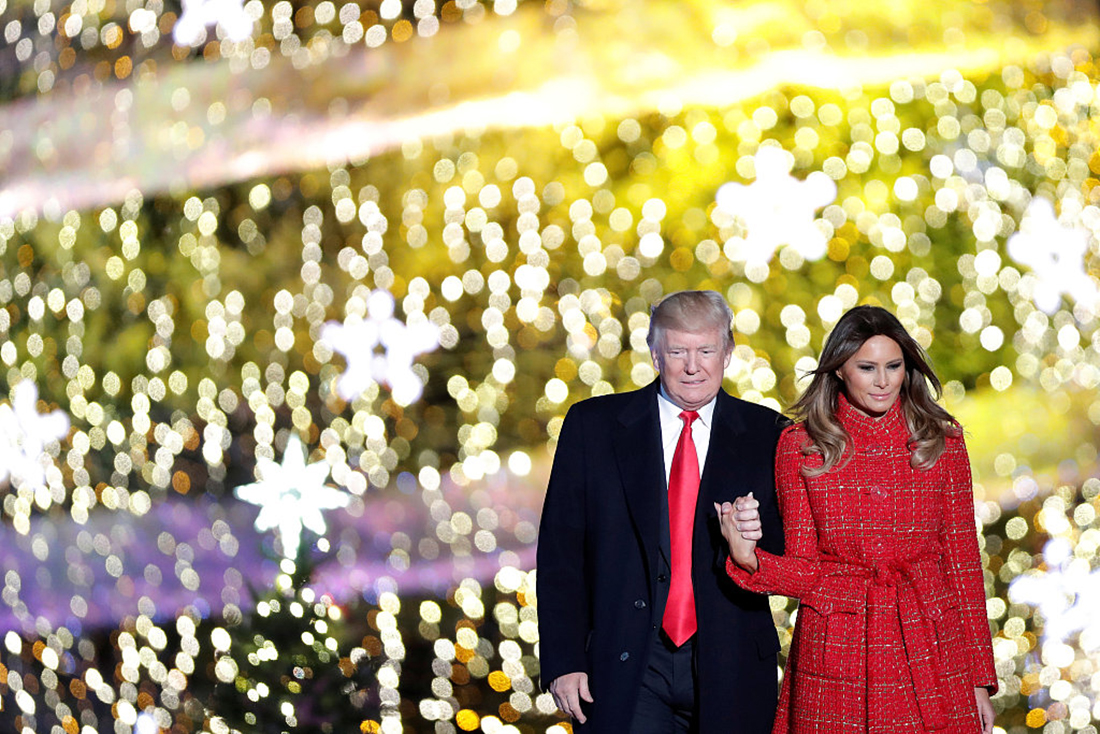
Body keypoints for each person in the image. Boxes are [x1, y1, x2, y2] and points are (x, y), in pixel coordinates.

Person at [717, 305, 998, 734]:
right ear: (840, 370)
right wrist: (751, 559)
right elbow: (806, 571)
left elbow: (962, 564)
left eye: (894, 366)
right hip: (838, 649)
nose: (883, 381)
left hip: (929, 643)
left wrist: (979, 679)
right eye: (867, 367)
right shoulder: (802, 445)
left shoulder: (942, 440)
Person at [536, 289, 788, 733]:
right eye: (677, 351)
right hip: (624, 664)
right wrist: (565, 659)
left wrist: (755, 541)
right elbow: (561, 553)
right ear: (655, 354)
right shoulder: (592, 427)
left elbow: (793, 552)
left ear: (727, 352)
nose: (693, 366)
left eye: (706, 351)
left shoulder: (770, 435)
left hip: (732, 664)